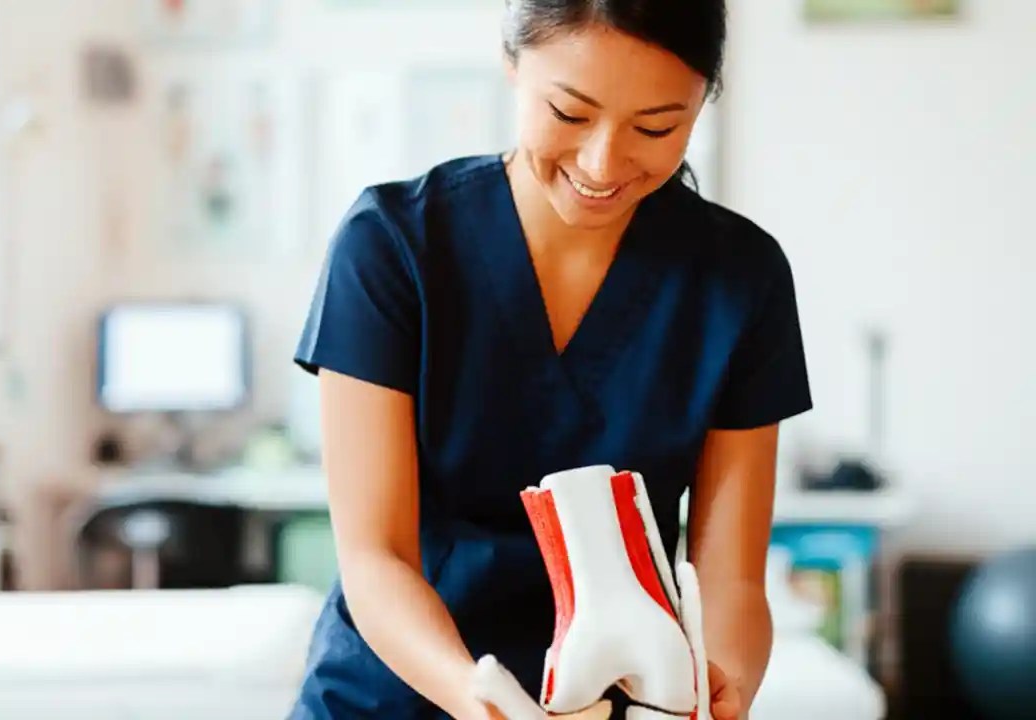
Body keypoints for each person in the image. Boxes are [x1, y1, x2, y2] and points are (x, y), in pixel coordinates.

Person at [289, 0, 812, 717]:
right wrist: (481, 701)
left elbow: (730, 576)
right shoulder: (392, 246)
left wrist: (721, 680)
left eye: (657, 127)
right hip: (396, 692)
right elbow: (376, 557)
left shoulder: (741, 277)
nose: (602, 163)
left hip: (620, 699)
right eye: (569, 113)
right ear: (512, 62)